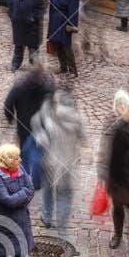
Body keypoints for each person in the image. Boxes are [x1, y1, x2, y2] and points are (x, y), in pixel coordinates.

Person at [99, 89, 129, 249]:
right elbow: (104, 148)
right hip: (116, 175)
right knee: (118, 205)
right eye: (118, 105)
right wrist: (102, 171)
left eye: (124, 104)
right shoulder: (111, 123)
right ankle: (118, 234)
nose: (121, 107)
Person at [35, 88, 87, 239]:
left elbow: (41, 138)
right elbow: (84, 139)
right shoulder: (79, 119)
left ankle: (46, 218)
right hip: (68, 165)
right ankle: (62, 226)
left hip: (50, 162)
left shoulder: (50, 116)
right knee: (65, 194)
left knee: (47, 190)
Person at [2, 62, 55, 186]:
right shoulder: (48, 88)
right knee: (38, 153)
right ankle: (36, 182)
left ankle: (23, 179)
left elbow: (8, 105)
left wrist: (10, 118)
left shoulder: (19, 87)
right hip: (41, 126)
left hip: (23, 127)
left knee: (24, 153)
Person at [45, 0, 81, 77]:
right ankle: (63, 67)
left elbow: (74, 10)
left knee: (66, 46)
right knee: (57, 44)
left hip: (65, 23)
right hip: (55, 22)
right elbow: (52, 6)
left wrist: (71, 24)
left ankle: (73, 71)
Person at [8, 0, 44, 70]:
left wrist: (32, 18)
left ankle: (35, 68)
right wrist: (13, 17)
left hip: (31, 27)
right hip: (18, 25)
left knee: (33, 48)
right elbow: (10, 6)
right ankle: (15, 65)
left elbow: (41, 9)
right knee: (18, 47)